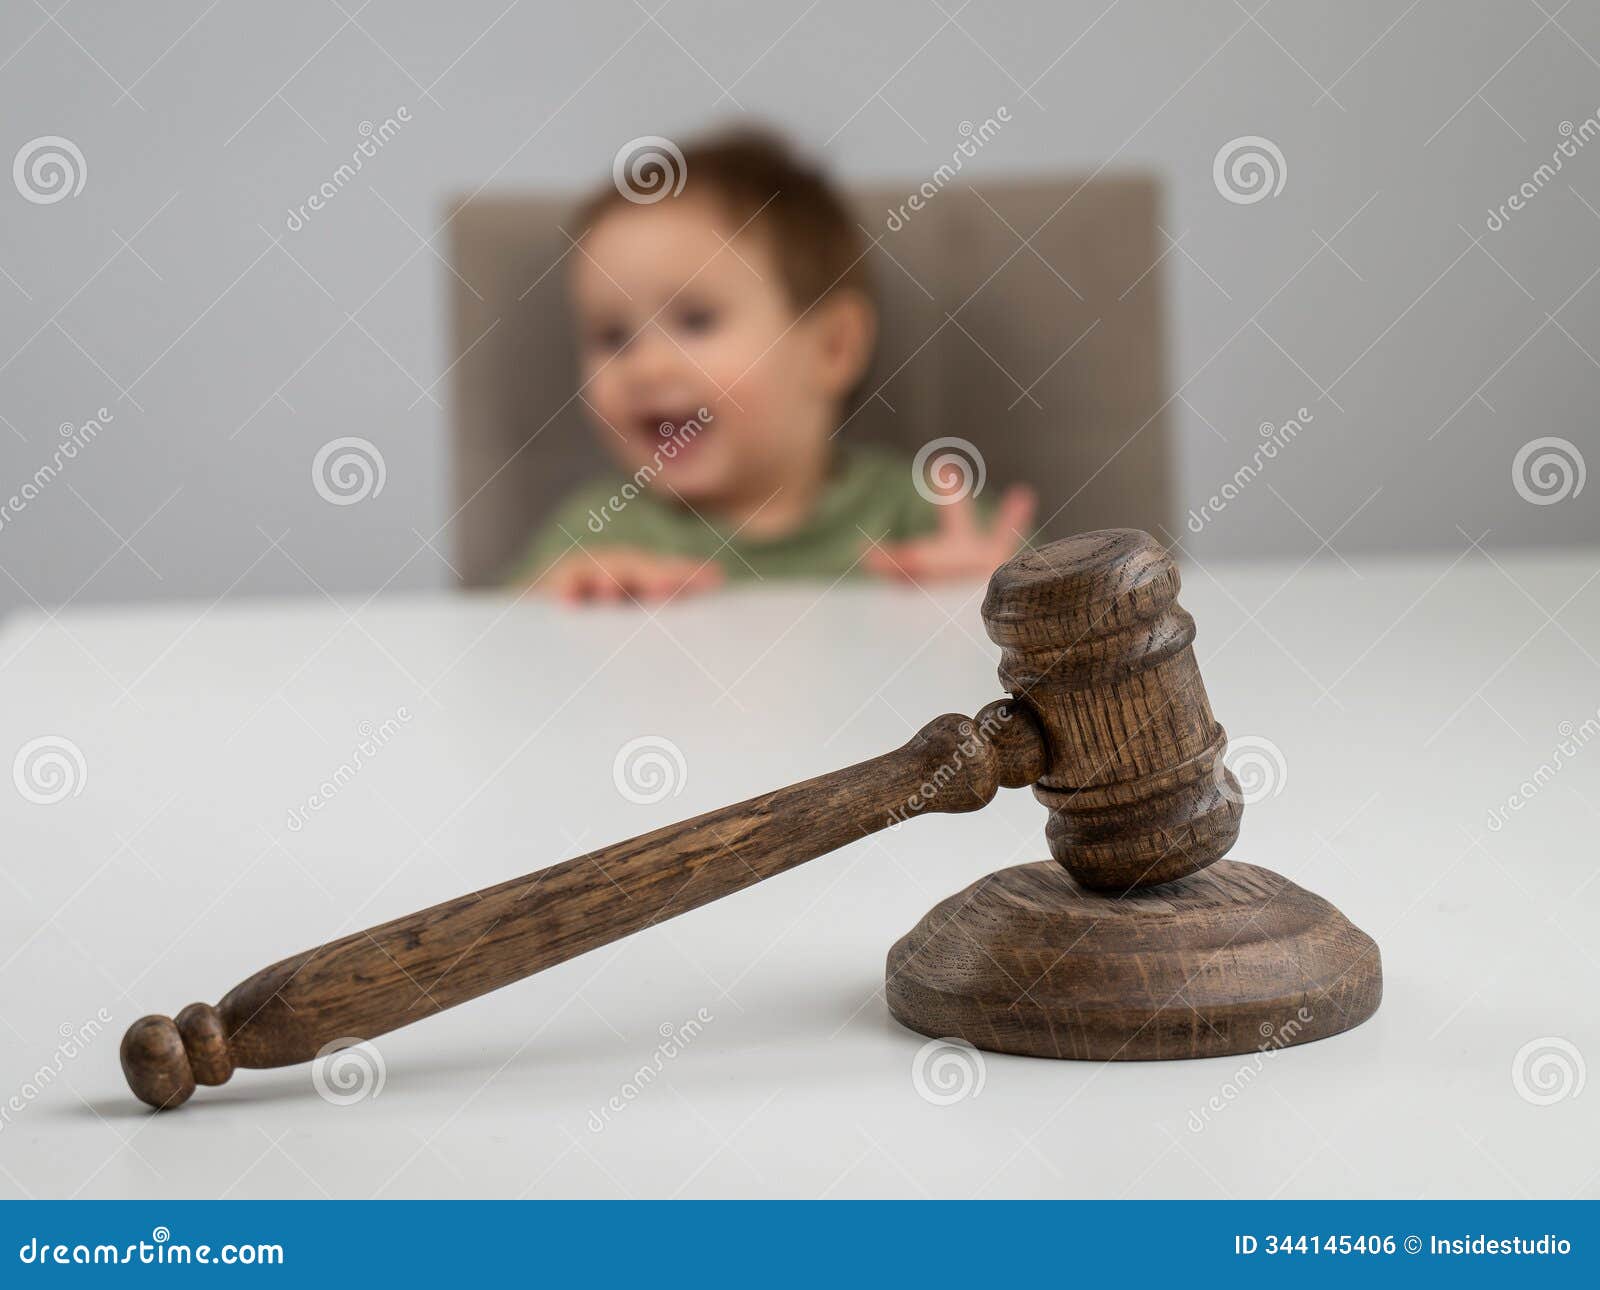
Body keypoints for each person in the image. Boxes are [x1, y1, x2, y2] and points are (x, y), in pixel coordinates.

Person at [509, 128, 1035, 603]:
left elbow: (1070, 626)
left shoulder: (915, 516)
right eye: (612, 337)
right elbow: (496, 651)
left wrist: (991, 592)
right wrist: (560, 601)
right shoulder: (603, 532)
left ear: (832, 348)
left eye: (696, 321)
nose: (645, 367)